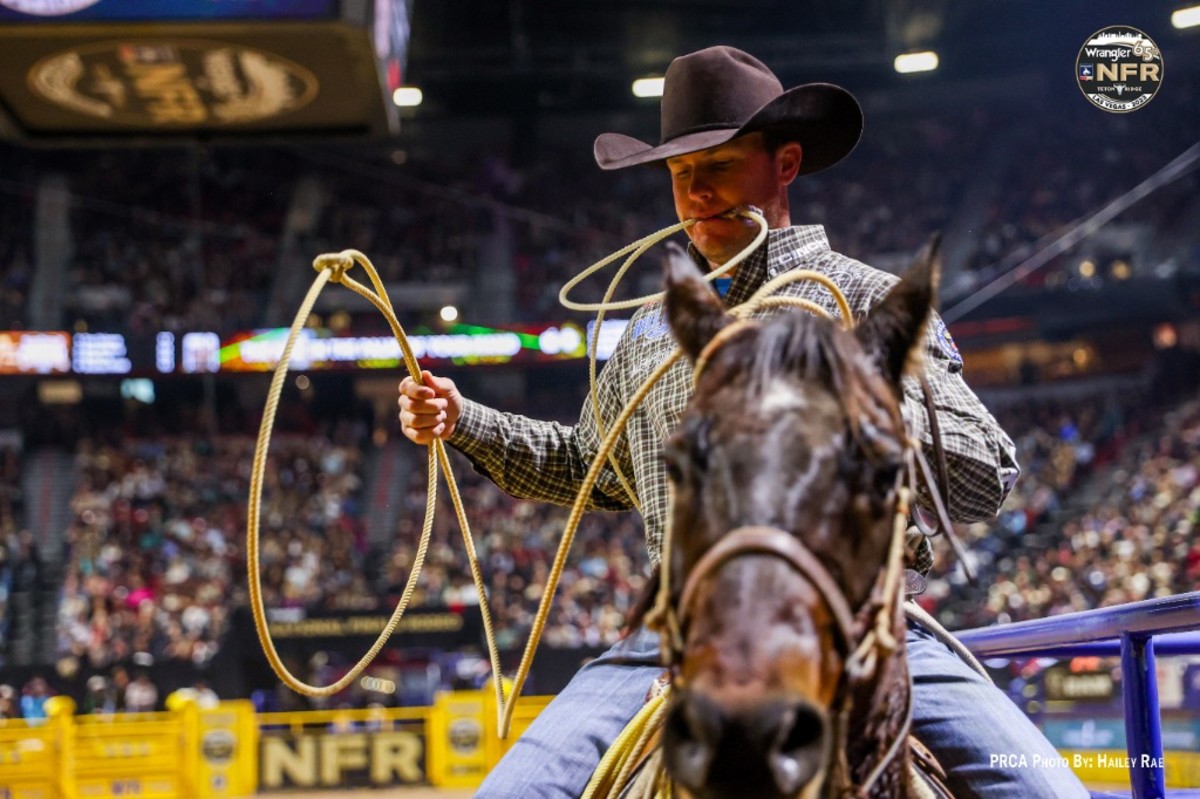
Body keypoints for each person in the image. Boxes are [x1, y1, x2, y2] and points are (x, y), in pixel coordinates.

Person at [398, 45, 1088, 799]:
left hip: (861, 632)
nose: (695, 196)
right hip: (673, 639)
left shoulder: (867, 301)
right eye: (679, 174)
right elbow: (586, 466)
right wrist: (465, 419)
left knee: (1048, 793)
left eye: (719, 166)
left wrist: (853, 395)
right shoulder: (653, 334)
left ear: (784, 163)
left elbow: (987, 473)